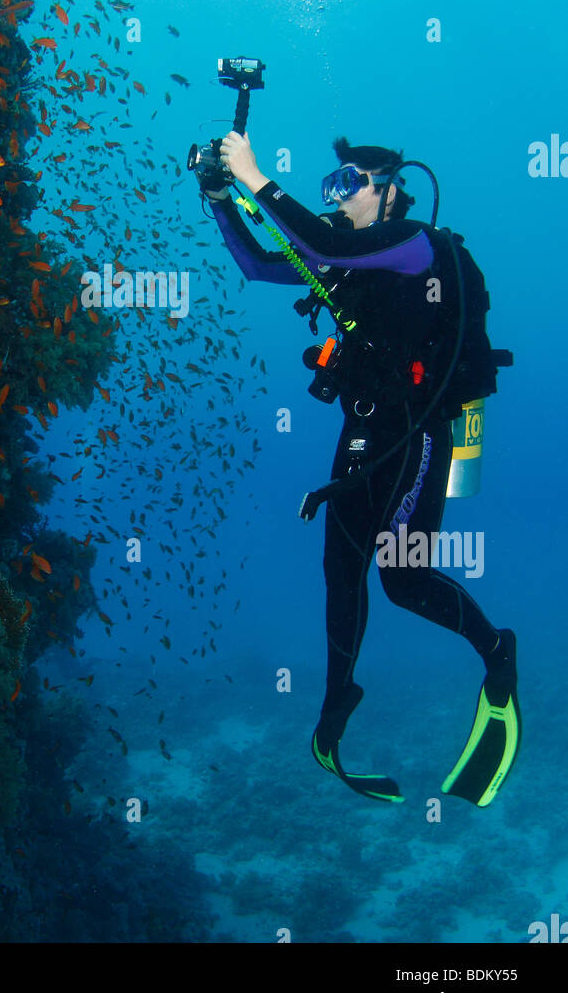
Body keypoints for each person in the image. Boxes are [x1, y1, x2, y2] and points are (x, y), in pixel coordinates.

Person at [201, 129, 519, 806]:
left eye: (352, 184)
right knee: (339, 571)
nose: (339, 197)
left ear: (391, 189)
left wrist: (254, 174)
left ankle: (497, 652)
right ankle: (337, 702)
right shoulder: (344, 262)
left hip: (418, 434)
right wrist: (220, 199)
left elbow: (322, 244)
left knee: (403, 581)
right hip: (362, 431)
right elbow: (262, 265)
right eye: (332, 185)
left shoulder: (420, 247)